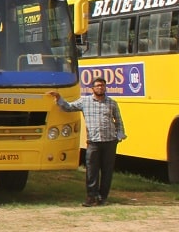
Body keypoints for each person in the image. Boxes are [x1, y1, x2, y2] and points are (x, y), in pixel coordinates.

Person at [48, 77, 126, 206]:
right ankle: (91, 197)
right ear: (92, 88)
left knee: (107, 171)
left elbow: (118, 121)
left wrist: (119, 136)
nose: (100, 88)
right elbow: (68, 107)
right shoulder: (85, 102)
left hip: (109, 142)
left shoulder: (112, 103)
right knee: (91, 171)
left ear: (105, 88)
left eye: (102, 86)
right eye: (98, 86)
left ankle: (103, 198)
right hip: (93, 142)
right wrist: (59, 98)